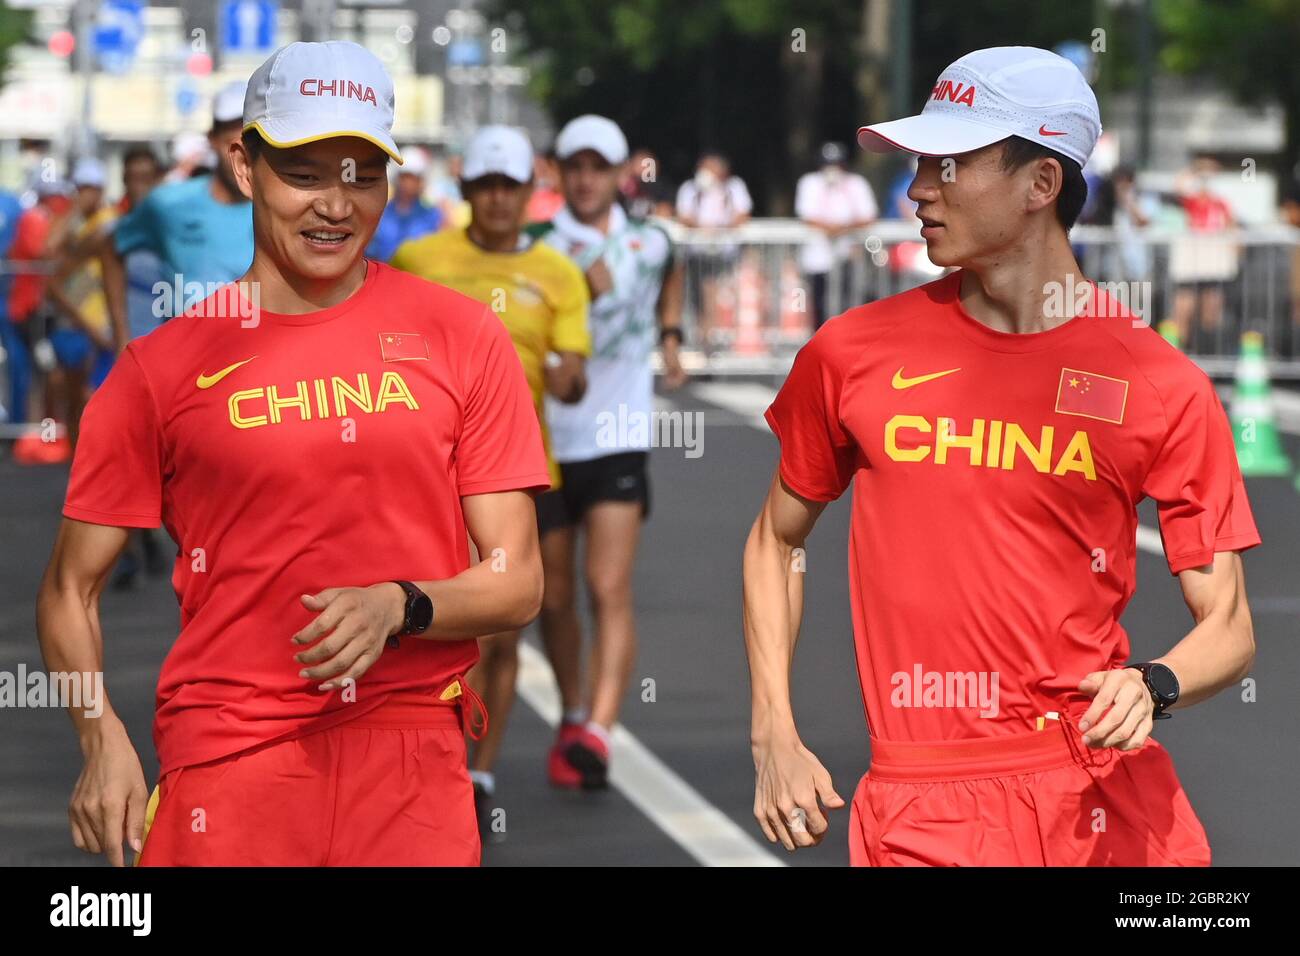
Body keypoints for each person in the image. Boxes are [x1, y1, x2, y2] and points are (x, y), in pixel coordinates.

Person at [37, 40, 551, 867]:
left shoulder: (461, 337)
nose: (336, 206)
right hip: (230, 763)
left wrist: (400, 605)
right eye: (305, 173)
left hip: (413, 752)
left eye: (361, 174)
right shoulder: (158, 371)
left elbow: (517, 578)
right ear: (246, 166)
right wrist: (100, 738)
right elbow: (69, 589)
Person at [744, 46, 1260, 866]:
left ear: (1040, 186)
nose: (918, 190)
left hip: (1104, 802)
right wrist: (773, 731)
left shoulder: (1163, 384)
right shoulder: (851, 353)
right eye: (920, 166)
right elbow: (776, 541)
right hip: (926, 808)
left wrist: (1153, 684)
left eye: (948, 165)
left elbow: (1229, 626)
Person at [390, 124, 591, 820]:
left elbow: (573, 373)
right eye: (486, 186)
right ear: (468, 191)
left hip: (520, 472)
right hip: (429, 475)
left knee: (503, 624)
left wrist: (569, 378)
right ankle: (424, 755)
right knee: (430, 625)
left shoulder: (559, 272)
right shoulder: (418, 258)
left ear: (530, 193)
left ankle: (478, 773)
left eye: (511, 186)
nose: (499, 199)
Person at [530, 114, 685, 789]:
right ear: (560, 173)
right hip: (546, 441)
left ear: (622, 174)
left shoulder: (649, 242)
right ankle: (570, 708)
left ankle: (600, 726)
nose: (587, 178)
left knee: (607, 585)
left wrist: (671, 334)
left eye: (600, 166)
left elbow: (671, 273)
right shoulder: (537, 246)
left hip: (619, 433)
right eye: (576, 166)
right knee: (555, 595)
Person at [103, 81, 254, 331]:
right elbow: (110, 249)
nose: (241, 158)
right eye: (233, 145)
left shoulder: (279, 207)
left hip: (254, 360)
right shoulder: (168, 203)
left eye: (251, 145)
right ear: (212, 140)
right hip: (185, 362)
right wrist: (121, 335)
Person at [795, 142, 878, 330]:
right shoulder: (809, 182)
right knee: (819, 303)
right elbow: (806, 216)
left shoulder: (856, 183)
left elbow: (868, 215)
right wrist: (833, 228)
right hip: (818, 257)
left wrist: (842, 229)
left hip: (848, 255)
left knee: (848, 302)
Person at [676, 151, 752, 349]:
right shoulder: (690, 189)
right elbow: (683, 217)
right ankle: (706, 343)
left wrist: (718, 230)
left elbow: (742, 216)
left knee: (722, 300)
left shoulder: (734, 187)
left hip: (726, 255)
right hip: (698, 255)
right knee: (701, 302)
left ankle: (720, 343)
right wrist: (703, 230)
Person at [364, 146, 442, 262]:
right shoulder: (379, 213)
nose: (409, 184)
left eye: (414, 178)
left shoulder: (432, 215)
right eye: (405, 177)